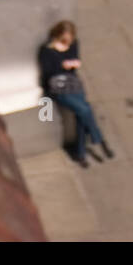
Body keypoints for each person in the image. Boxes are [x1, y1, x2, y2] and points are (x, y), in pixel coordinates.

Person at [38, 22, 113, 169]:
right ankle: (98, 138)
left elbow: (75, 58)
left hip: (73, 83)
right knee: (85, 110)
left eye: (69, 40)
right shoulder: (46, 51)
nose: (67, 43)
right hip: (58, 88)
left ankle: (80, 154)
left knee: (81, 116)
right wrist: (62, 65)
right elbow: (48, 74)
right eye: (64, 40)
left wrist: (74, 63)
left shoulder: (74, 44)